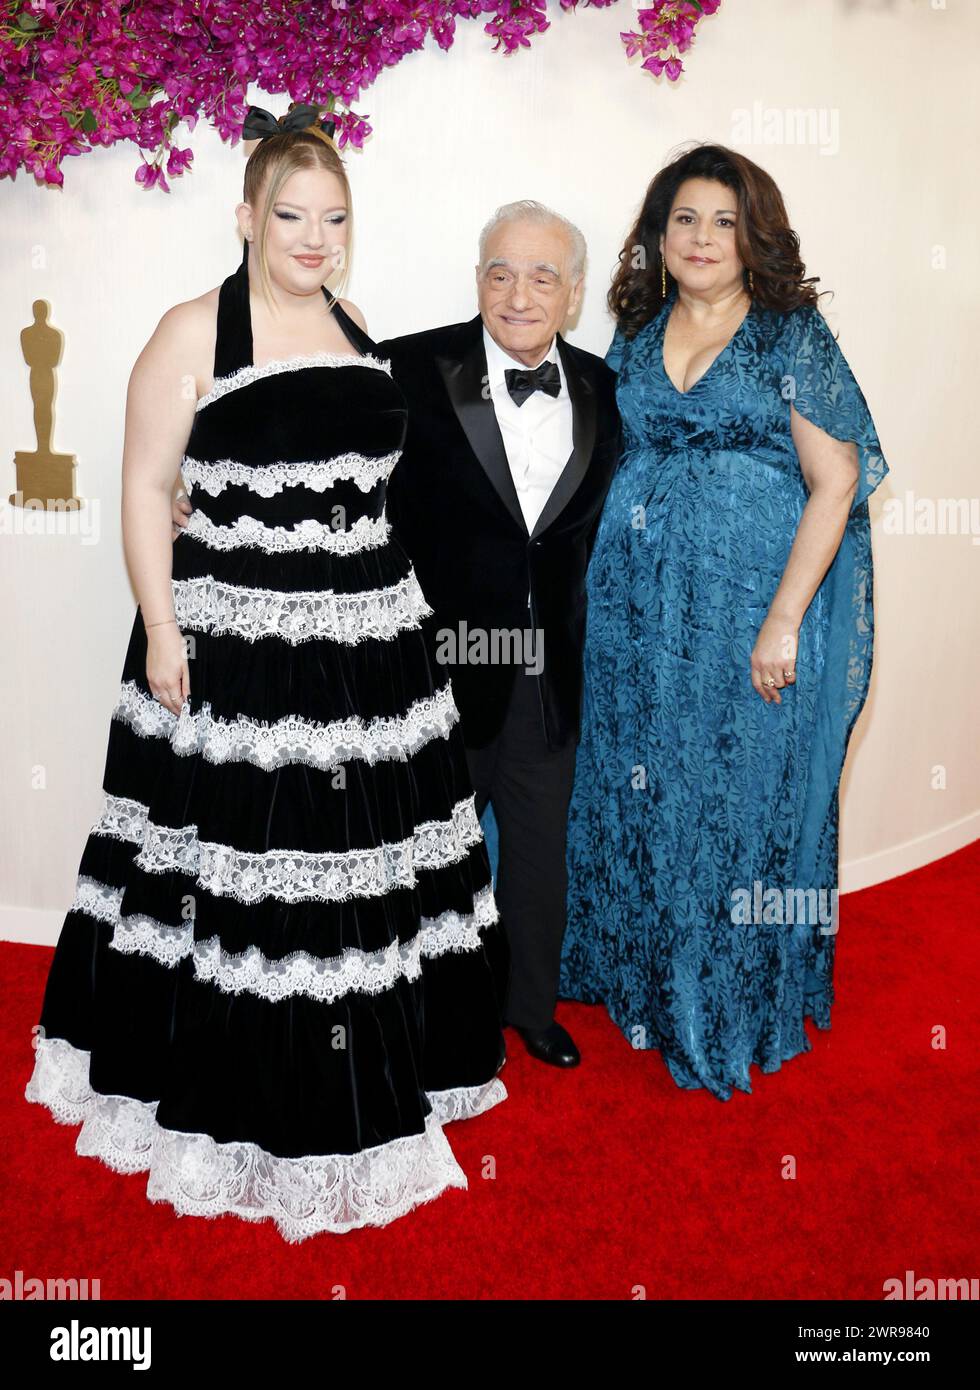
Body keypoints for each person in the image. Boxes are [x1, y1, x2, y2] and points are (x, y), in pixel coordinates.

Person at [25, 103, 509, 1241]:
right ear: (244, 216)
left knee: (359, 870)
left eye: (333, 218)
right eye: (291, 215)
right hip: (237, 647)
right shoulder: (190, 331)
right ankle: (238, 1098)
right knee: (241, 873)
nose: (313, 237)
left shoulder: (351, 318)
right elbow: (148, 487)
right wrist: (160, 628)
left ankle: (377, 1071)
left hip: (369, 647)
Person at [175, 200, 624, 1069]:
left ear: (572, 295)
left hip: (543, 668)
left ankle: (532, 1009)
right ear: (478, 281)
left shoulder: (606, 387)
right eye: (500, 272)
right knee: (409, 857)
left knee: (537, 854)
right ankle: (416, 1017)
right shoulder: (408, 366)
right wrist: (198, 487)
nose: (518, 294)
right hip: (422, 664)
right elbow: (301, 434)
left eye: (541, 277)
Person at [560, 143, 889, 1101]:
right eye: (684, 219)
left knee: (737, 808)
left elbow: (836, 485)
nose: (702, 238)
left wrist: (785, 621)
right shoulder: (635, 329)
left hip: (749, 620)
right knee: (644, 795)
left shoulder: (792, 337)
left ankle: (727, 1002)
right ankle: (648, 988)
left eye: (723, 220)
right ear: (658, 238)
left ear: (754, 237)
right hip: (634, 615)